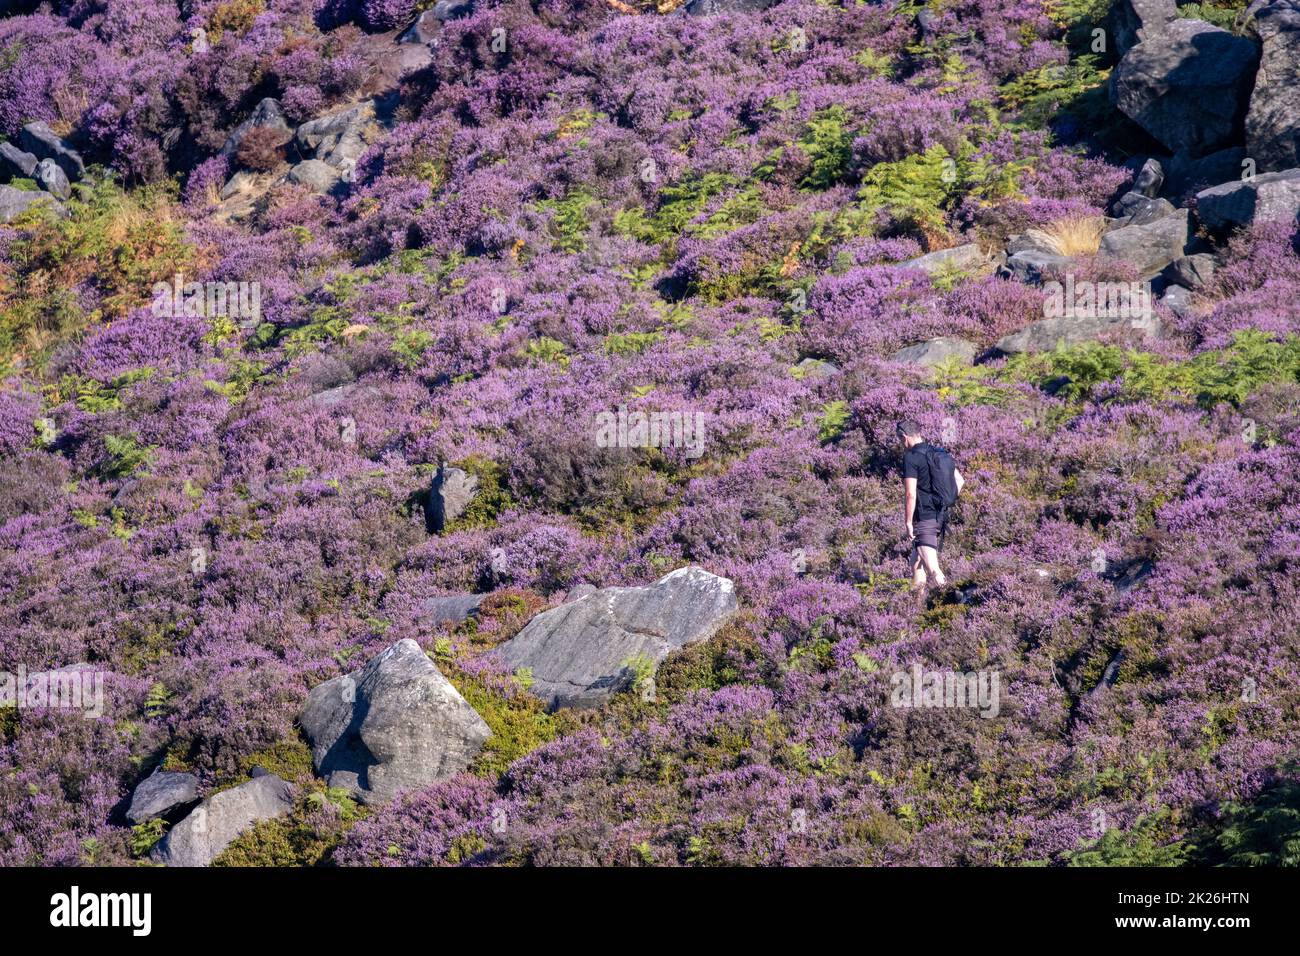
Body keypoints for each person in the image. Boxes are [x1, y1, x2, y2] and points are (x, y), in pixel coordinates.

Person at [897, 420, 963, 590]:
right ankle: (917, 610)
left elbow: (910, 494)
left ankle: (952, 605)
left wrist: (908, 523)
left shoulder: (911, 457)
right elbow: (959, 480)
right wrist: (945, 502)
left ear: (904, 437)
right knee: (916, 562)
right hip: (940, 515)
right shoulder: (937, 452)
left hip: (925, 518)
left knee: (933, 569)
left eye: (899, 439)